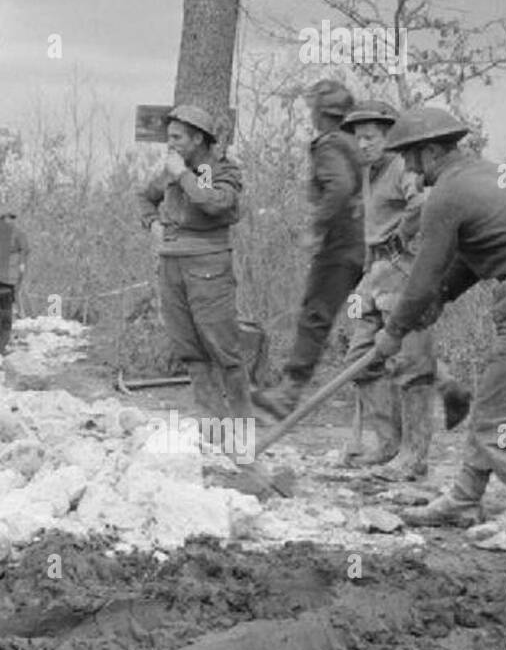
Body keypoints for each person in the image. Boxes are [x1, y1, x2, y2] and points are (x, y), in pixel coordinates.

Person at [373, 107, 506, 544]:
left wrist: (394, 331)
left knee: (504, 408)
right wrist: (441, 298)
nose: (410, 170)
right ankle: (464, 497)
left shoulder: (447, 195)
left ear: (432, 152)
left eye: (412, 159)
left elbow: (422, 277)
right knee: (494, 398)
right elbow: (474, 255)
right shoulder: (485, 175)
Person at [255, 79, 365, 419]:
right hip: (371, 244)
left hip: (342, 245)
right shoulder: (361, 144)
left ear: (322, 113)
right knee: (388, 323)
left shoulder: (330, 145)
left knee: (315, 315)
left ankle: (289, 394)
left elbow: (340, 186)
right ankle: (446, 383)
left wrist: (317, 228)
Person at [341, 100, 438, 478]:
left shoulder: (403, 167)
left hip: (405, 270)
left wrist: (401, 238)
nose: (363, 145)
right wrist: (362, 283)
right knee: (359, 359)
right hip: (375, 272)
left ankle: (413, 457)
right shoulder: (370, 174)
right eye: (358, 139)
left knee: (411, 365)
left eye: (370, 137)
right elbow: (372, 232)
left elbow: (422, 206)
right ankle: (386, 444)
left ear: (389, 137)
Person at [137, 104, 251, 420]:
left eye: (177, 137)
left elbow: (214, 202)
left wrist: (183, 176)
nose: (170, 144)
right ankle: (210, 421)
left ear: (198, 138)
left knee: (222, 346)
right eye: (169, 137)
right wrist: (153, 224)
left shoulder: (224, 169)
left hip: (209, 265)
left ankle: (242, 424)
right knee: (189, 347)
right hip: (171, 263)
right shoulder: (172, 170)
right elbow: (145, 196)